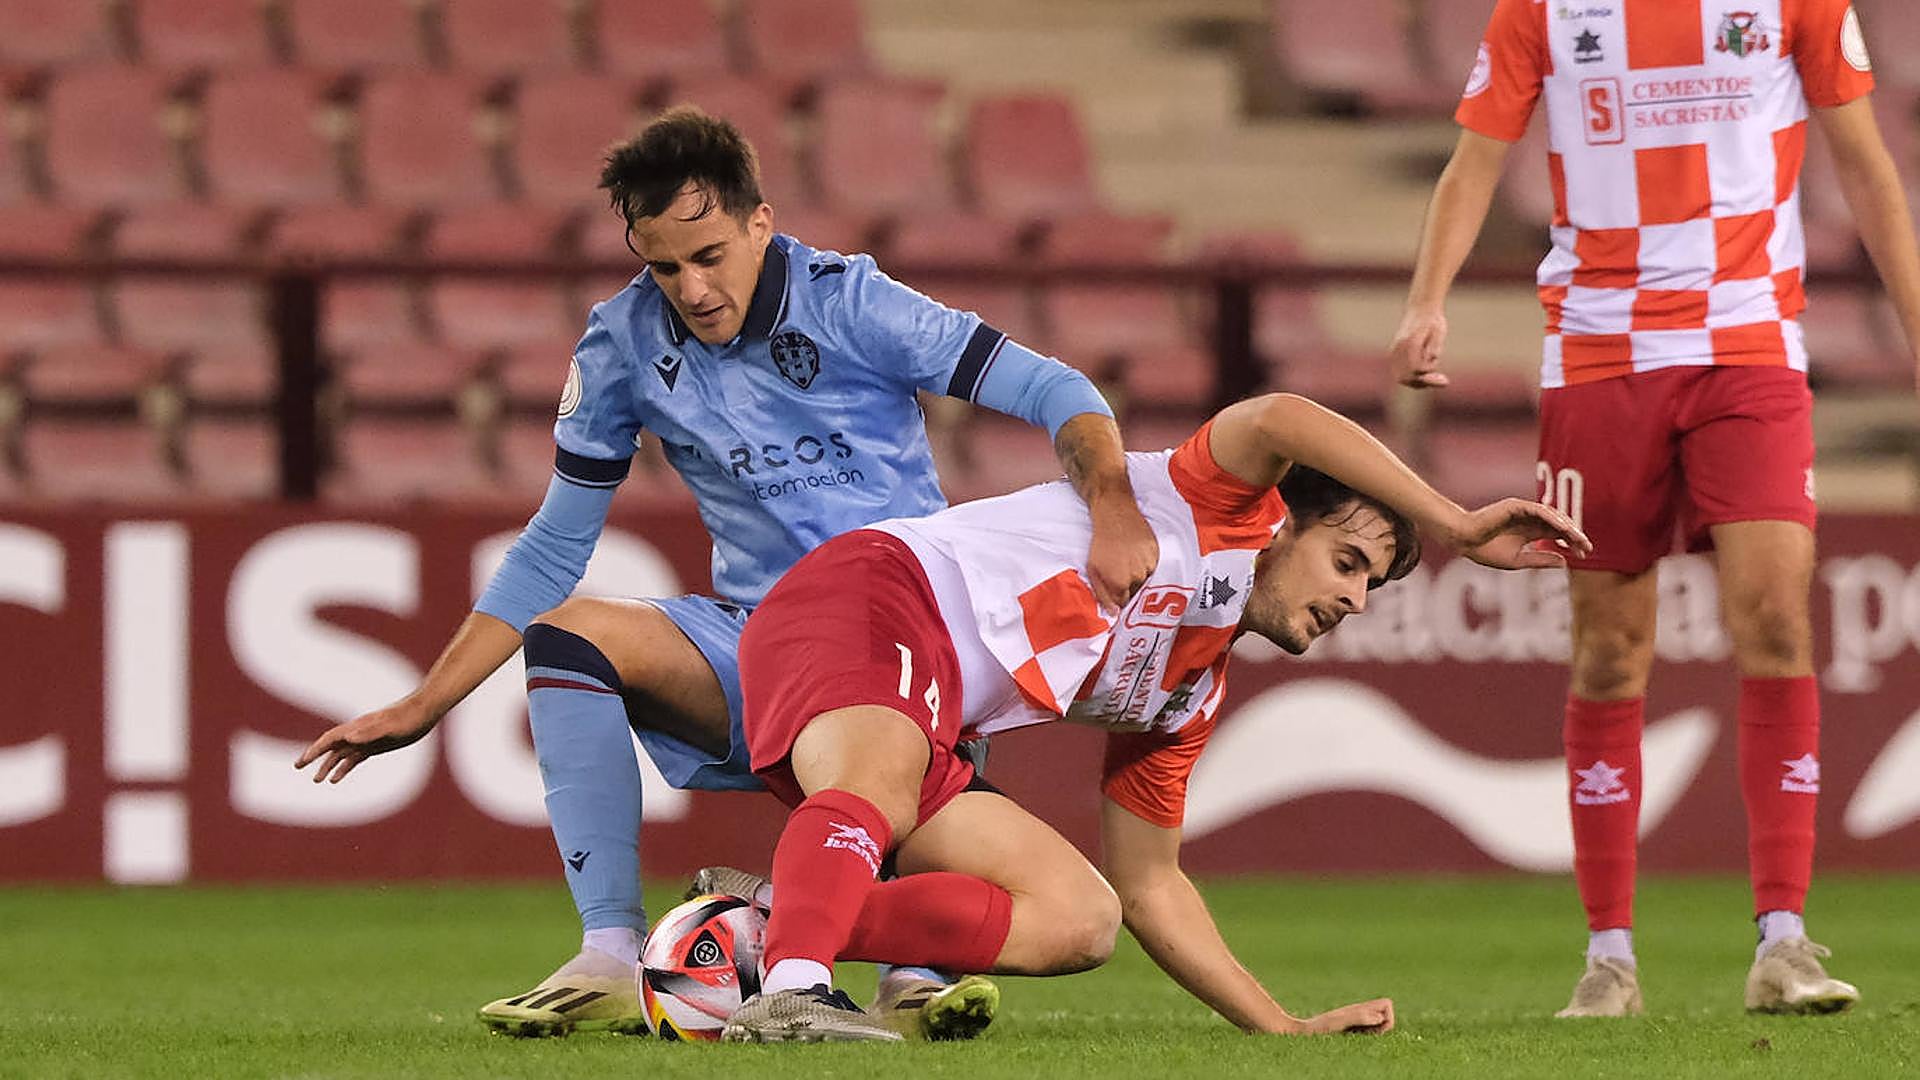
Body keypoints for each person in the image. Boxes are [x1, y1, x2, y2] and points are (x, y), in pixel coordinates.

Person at [291, 107, 1159, 1038]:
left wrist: (1113, 503)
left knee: (929, 825)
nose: (693, 290)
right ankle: (611, 953)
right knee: (571, 636)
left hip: (900, 641)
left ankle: (899, 970)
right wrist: (425, 705)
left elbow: (1056, 389)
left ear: (760, 223)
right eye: (665, 267)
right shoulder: (623, 343)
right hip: (762, 642)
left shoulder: (854, 305)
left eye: (709, 256)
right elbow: (553, 546)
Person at [704, 392, 1588, 1042]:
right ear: (1282, 522)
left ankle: (767, 927)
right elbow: (1281, 416)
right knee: (882, 783)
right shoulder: (1216, 502)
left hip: (921, 712)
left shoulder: (1186, 693)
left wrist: (1280, 1026)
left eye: (1370, 585)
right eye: (1347, 561)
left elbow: (1150, 887)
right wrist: (1456, 524)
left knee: (1080, 918)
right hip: (876, 596)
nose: (1354, 599)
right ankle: (793, 992)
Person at [1388, 1, 1920, 1018]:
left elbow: (1866, 164)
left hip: (1750, 341)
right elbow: (1474, 160)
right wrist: (1426, 299)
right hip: (1598, 353)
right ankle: (1610, 960)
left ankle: (1784, 942)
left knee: (1775, 619)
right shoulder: (1543, 10)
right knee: (1608, 650)